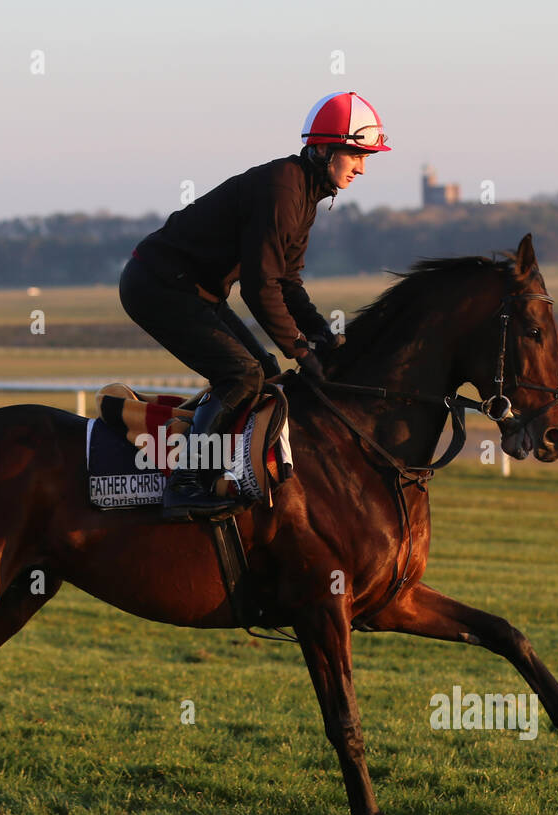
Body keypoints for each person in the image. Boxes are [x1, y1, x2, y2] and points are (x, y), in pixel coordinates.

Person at [118, 91, 391, 519]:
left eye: (366, 157)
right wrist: (298, 349)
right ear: (322, 149)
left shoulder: (307, 195)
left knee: (263, 374)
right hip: (156, 285)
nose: (361, 167)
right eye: (355, 154)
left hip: (194, 290)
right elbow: (259, 286)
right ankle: (185, 482)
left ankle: (230, 471)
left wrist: (321, 335)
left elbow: (288, 281)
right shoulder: (283, 189)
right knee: (242, 373)